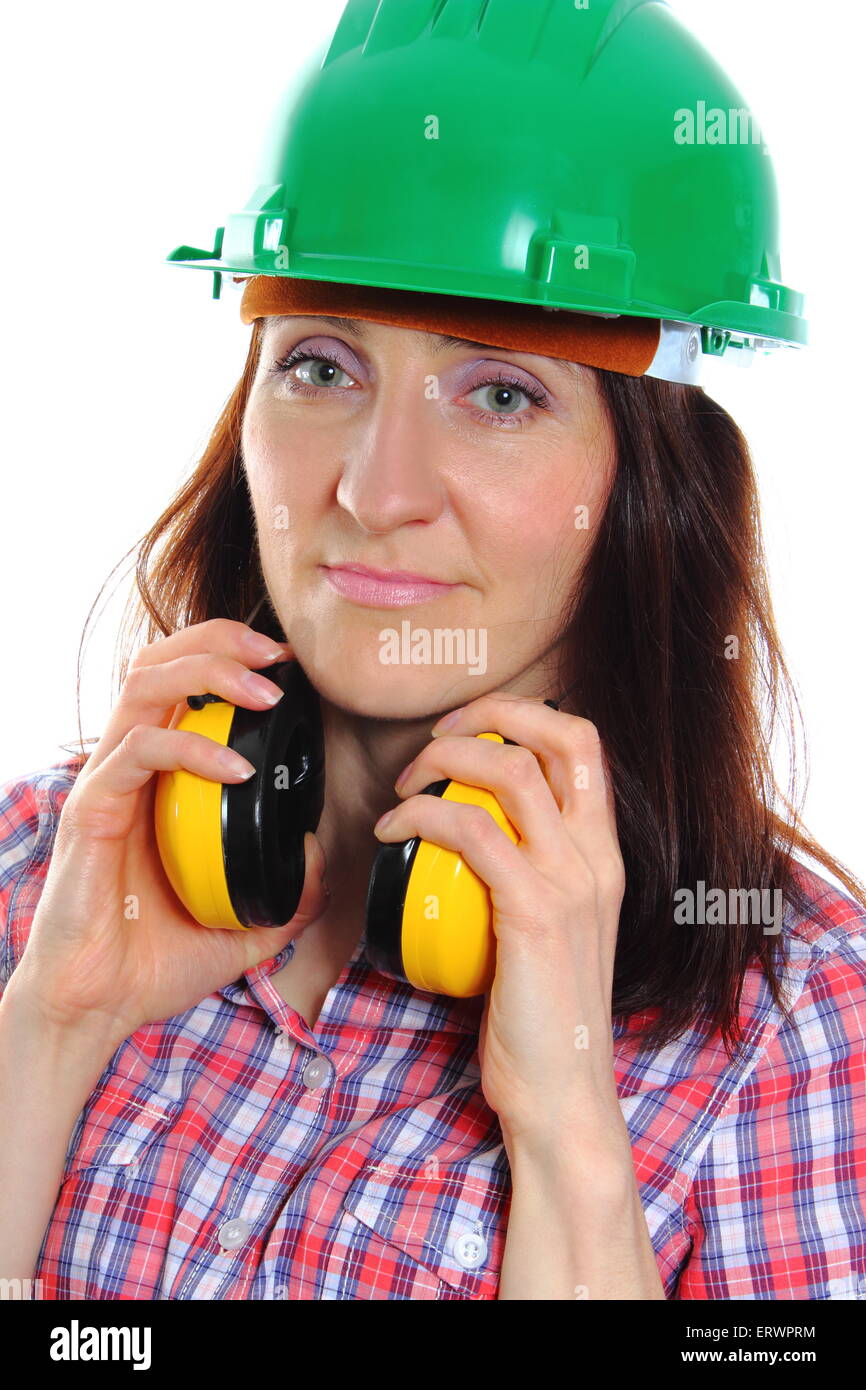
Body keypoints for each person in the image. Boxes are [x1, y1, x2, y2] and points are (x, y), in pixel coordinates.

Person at [1, 0, 865, 1301]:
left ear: (649, 484)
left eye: (501, 393)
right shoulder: (44, 860)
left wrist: (570, 1128)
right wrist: (52, 1025)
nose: (374, 487)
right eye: (320, 367)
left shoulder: (790, 1020)